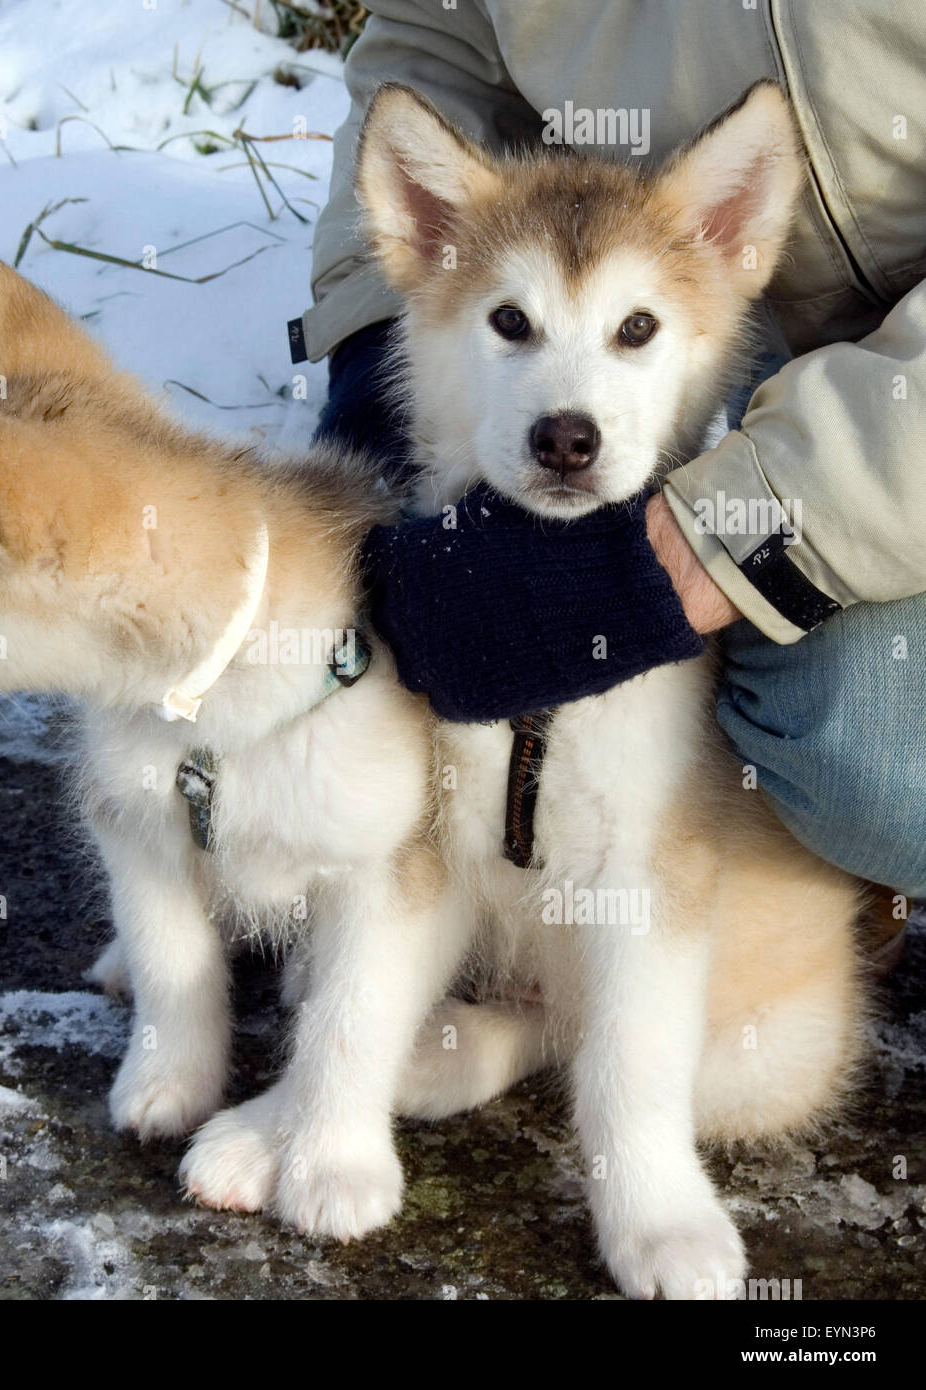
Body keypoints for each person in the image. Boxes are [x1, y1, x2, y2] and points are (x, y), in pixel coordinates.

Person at [295, 0, 926, 960]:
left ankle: (789, 896)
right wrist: (380, 387)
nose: (567, 426)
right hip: (726, 321)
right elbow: (434, 38)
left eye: (634, 332)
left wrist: (690, 560)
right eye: (513, 328)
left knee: (879, 771)